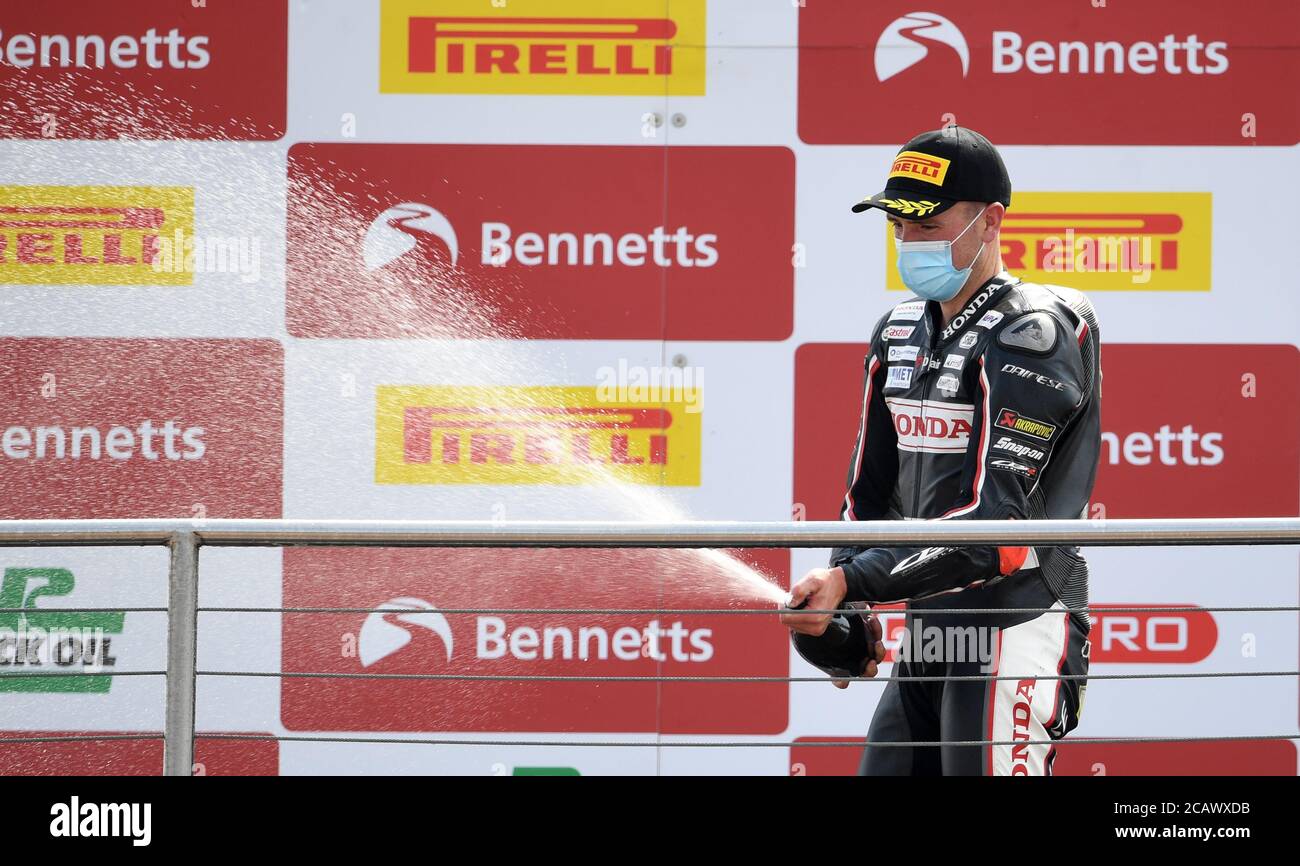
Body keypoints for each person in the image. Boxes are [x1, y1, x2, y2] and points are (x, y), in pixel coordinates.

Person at [780, 127, 1102, 776]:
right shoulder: (897, 331)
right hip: (931, 630)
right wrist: (846, 606)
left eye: (926, 222)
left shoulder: (1031, 331)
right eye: (897, 222)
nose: (908, 240)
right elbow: (866, 498)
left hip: (1019, 618)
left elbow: (997, 532)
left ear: (990, 222)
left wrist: (855, 579)